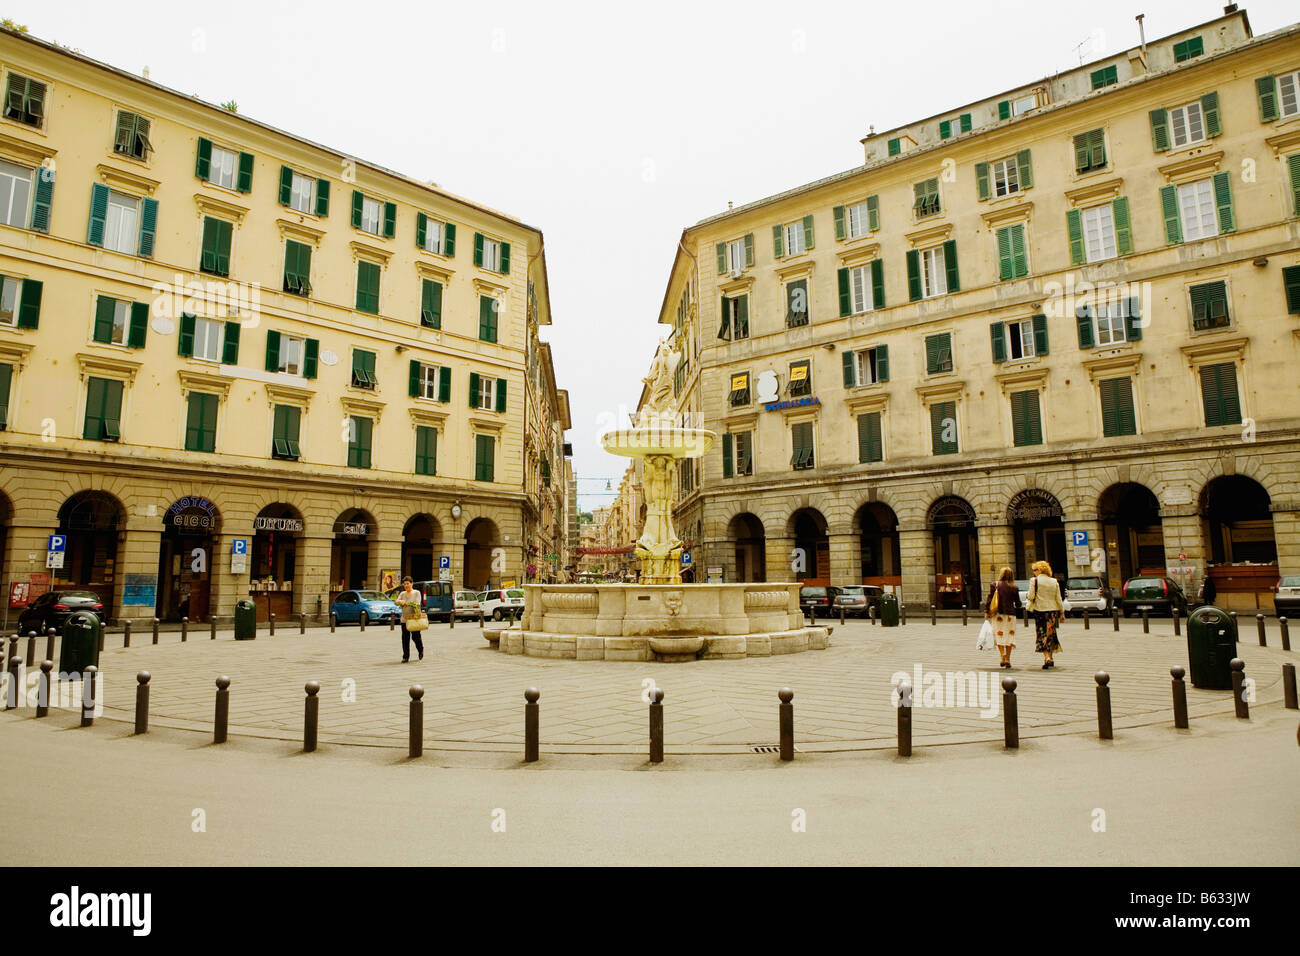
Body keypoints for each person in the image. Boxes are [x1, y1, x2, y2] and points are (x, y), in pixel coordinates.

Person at [1026, 560, 1064, 669]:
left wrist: (1028, 596)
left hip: (1040, 611)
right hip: (1052, 611)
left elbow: (1031, 596)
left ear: (1040, 570)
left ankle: (1047, 657)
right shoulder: (1054, 581)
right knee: (1051, 633)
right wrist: (1062, 612)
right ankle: (1051, 658)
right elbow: (1058, 598)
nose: (1034, 572)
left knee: (1042, 633)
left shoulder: (1034, 581)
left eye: (1035, 570)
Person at [984, 567, 1023, 669]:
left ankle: (1002, 656)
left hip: (998, 615)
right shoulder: (1014, 587)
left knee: (999, 634)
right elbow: (1018, 603)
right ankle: (1008, 659)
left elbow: (989, 599)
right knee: (1009, 636)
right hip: (1010, 615)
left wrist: (987, 611)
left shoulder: (995, 585)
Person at [395, 576, 424, 663]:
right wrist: (400, 601)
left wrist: (406, 603)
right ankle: (405, 657)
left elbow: (417, 603)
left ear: (412, 583)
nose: (406, 585)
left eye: (408, 583)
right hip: (404, 619)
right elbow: (396, 601)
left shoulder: (416, 593)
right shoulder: (402, 593)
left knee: (416, 637)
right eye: (405, 584)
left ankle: (420, 649)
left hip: (414, 619)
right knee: (405, 638)